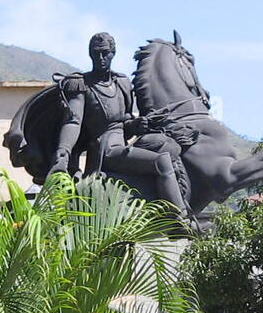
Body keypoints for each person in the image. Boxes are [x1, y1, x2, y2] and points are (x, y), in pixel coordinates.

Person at [49, 32, 185, 210]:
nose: (101, 57)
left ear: (113, 53)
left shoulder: (122, 83)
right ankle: (178, 219)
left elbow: (125, 120)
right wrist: (63, 151)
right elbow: (73, 121)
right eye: (96, 53)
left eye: (105, 52)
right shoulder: (81, 84)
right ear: (90, 54)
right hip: (105, 151)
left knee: (168, 146)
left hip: (123, 146)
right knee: (162, 161)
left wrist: (135, 125)